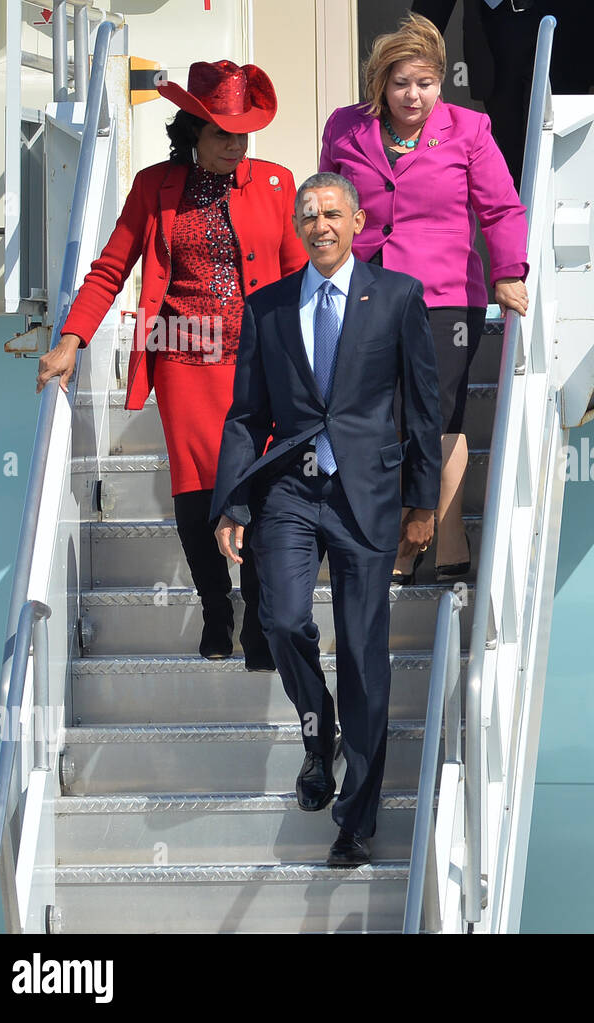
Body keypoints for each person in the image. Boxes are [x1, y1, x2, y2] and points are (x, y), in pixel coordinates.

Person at [36, 60, 306, 670]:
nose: (235, 146)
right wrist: (73, 339)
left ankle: (262, 619)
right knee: (198, 491)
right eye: (221, 135)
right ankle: (217, 607)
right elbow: (111, 268)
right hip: (185, 351)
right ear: (192, 132)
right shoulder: (155, 185)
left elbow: (297, 277)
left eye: (241, 135)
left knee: (261, 485)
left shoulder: (275, 183)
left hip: (260, 354)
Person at [211, 172, 442, 866]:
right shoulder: (269, 307)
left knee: (366, 658)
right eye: (307, 215)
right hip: (290, 491)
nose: (320, 225)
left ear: (358, 220)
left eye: (332, 213)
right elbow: (248, 416)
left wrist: (423, 498)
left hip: (366, 497)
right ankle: (319, 732)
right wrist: (233, 500)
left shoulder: (396, 296)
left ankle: (357, 820)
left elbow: (423, 403)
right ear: (297, 225)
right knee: (281, 619)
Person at [319, 13, 529, 583]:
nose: (414, 95)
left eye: (426, 82)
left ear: (441, 82)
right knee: (376, 417)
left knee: (436, 418)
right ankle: (400, 529)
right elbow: (328, 205)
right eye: (401, 83)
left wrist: (509, 271)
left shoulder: (470, 129)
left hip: (443, 296)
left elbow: (501, 208)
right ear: (380, 84)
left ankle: (442, 537)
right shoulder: (344, 127)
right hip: (364, 290)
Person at [411, 0, 594, 185]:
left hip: (567, 31)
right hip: (497, 34)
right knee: (513, 159)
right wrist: (415, 58)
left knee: (558, 154)